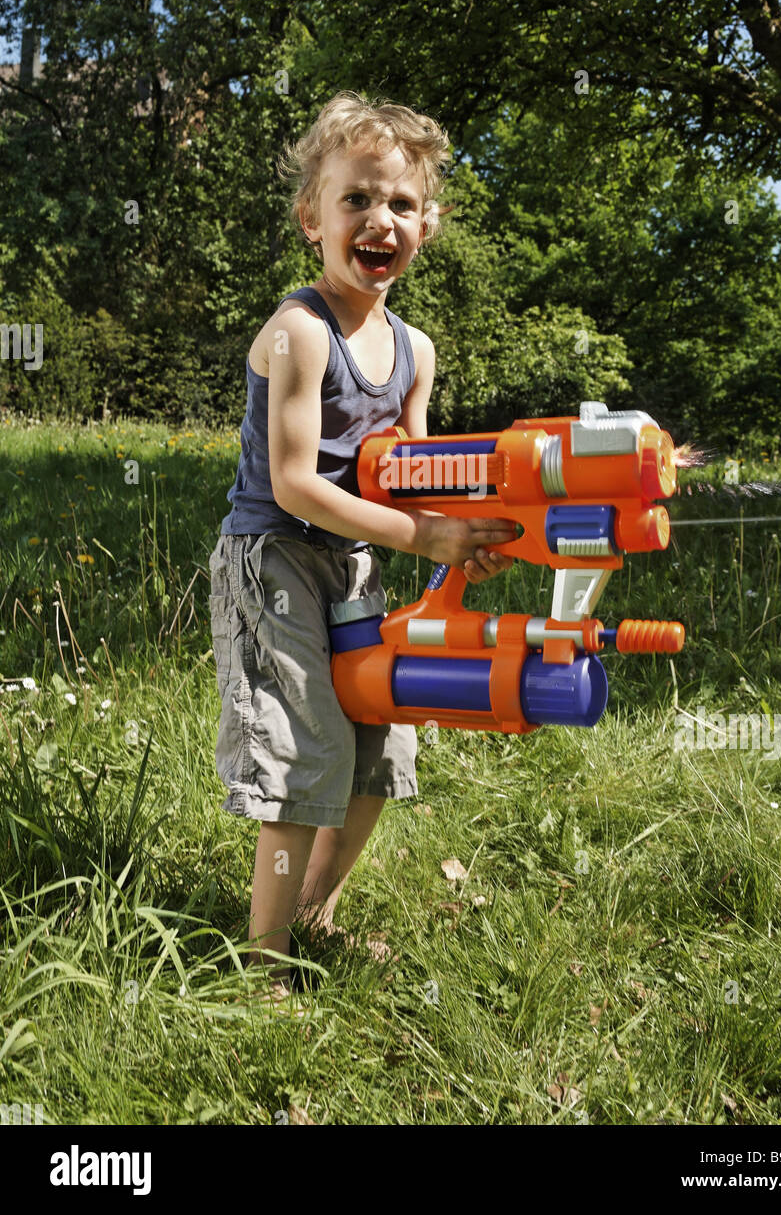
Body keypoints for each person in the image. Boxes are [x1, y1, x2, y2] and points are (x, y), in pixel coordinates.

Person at [207, 91, 516, 990]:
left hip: (356, 562)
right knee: (307, 757)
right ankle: (262, 966)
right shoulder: (299, 332)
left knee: (382, 752)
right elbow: (300, 481)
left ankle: (315, 914)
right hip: (275, 561)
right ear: (314, 219)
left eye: (403, 204)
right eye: (357, 200)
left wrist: (474, 531)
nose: (380, 219)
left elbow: (416, 470)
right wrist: (429, 536)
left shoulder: (415, 348)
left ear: (430, 225)